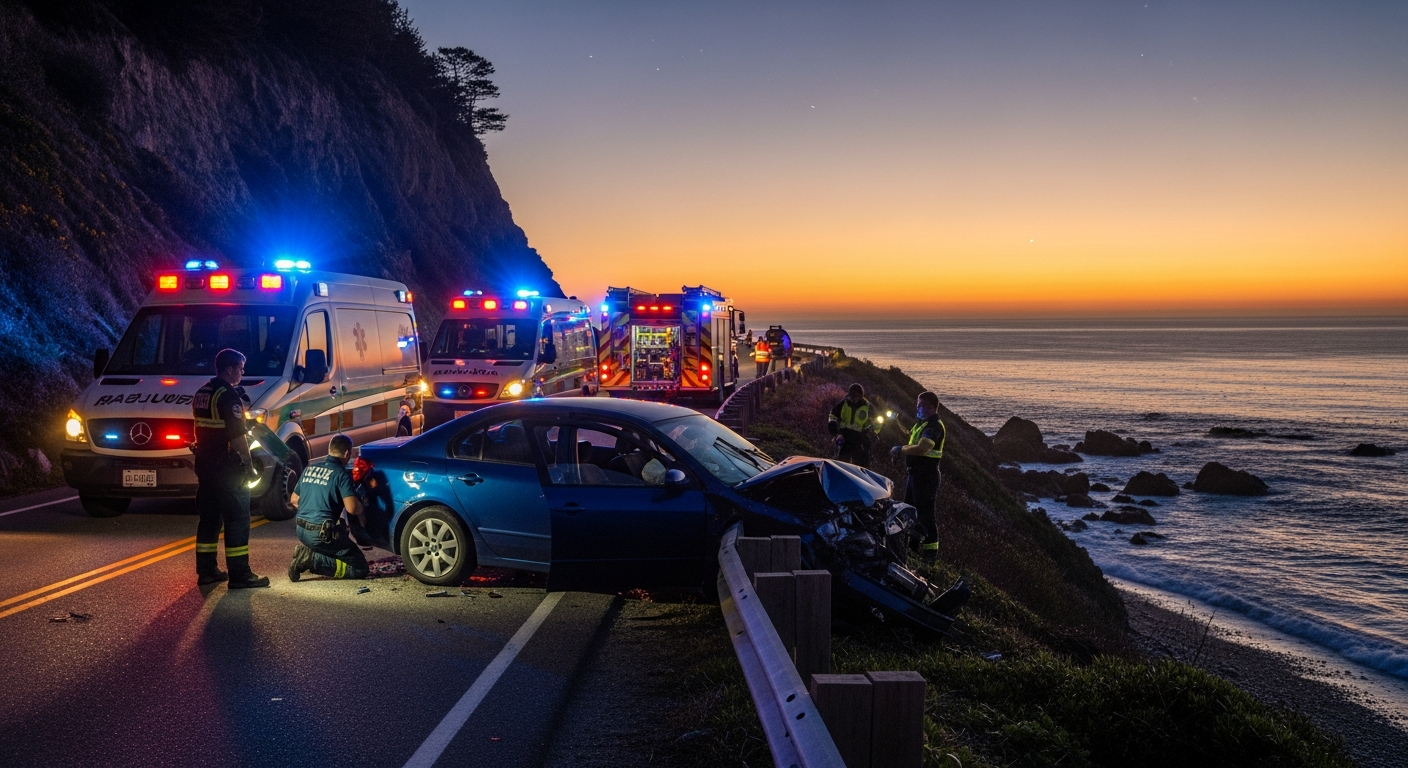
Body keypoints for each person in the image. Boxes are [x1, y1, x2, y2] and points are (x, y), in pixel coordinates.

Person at [192, 349, 270, 588]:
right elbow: (237, 436)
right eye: (240, 368)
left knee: (209, 519)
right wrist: (248, 464)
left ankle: (206, 571)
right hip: (227, 466)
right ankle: (240, 574)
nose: (242, 373)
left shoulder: (202, 392)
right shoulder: (228, 396)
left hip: (205, 465)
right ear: (229, 369)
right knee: (237, 519)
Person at [287, 434, 370, 581]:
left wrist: (314, 506)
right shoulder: (340, 475)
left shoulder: (310, 469)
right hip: (322, 535)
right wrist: (362, 507)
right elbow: (352, 508)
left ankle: (312, 554)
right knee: (360, 568)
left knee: (334, 546)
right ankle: (310, 560)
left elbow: (294, 499)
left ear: (329, 450)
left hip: (301, 531)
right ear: (346, 453)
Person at [891, 391, 946, 564]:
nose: (917, 407)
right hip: (915, 474)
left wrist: (900, 450)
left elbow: (922, 448)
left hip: (926, 476)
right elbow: (911, 435)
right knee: (910, 510)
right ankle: (912, 546)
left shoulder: (934, 426)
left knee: (925, 514)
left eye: (920, 404)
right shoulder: (923, 424)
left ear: (930, 407)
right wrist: (896, 423)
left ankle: (930, 555)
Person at [828, 383, 878, 467]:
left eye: (856, 396)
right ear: (849, 394)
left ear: (861, 396)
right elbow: (832, 415)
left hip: (860, 436)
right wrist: (835, 430)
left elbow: (877, 420)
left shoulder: (867, 406)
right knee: (841, 462)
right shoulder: (843, 403)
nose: (853, 398)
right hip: (844, 436)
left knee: (862, 464)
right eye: (852, 396)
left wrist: (872, 431)